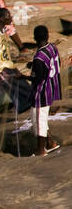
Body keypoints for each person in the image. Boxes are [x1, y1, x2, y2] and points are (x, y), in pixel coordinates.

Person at [29, 24, 63, 156]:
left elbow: (36, 79)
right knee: (39, 119)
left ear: (34, 38)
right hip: (51, 89)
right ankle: (50, 143)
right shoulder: (52, 47)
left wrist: (21, 76)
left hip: (41, 94)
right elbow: (56, 63)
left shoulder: (39, 57)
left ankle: (40, 150)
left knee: (39, 121)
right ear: (48, 36)